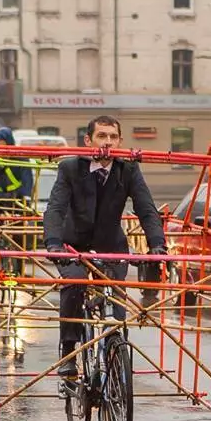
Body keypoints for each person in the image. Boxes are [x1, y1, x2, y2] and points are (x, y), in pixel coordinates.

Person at [42, 115, 167, 379]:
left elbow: (146, 209)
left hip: (111, 245)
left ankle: (113, 350)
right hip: (73, 246)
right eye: (101, 136)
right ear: (88, 140)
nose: (108, 143)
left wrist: (157, 245)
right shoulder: (70, 168)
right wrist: (54, 244)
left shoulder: (128, 169)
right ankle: (69, 349)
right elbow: (55, 208)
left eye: (113, 137)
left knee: (115, 294)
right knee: (74, 285)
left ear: (120, 141)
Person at [0, 126, 34, 213]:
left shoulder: (21, 158)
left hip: (17, 198)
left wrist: (26, 196)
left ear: (8, 141)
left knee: (19, 224)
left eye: (0, 140)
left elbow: (27, 179)